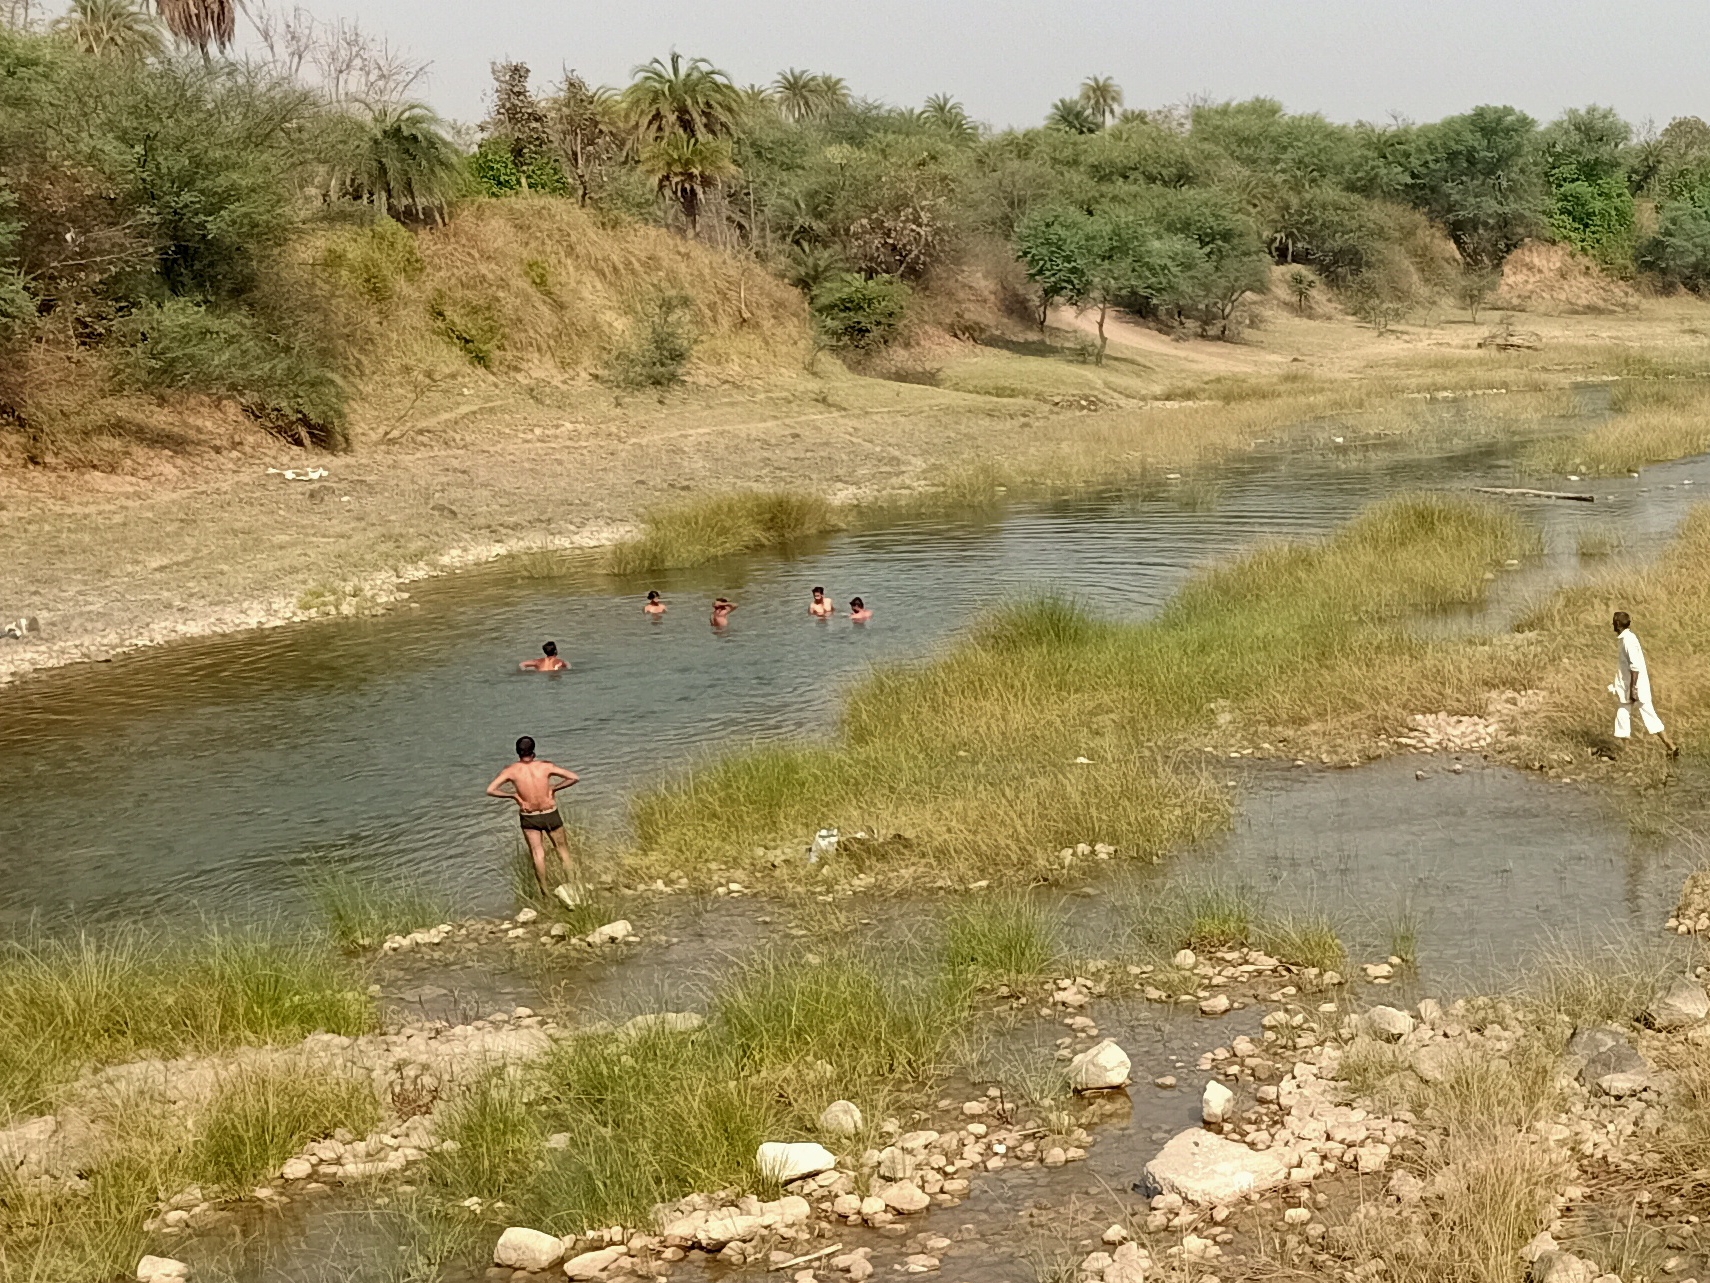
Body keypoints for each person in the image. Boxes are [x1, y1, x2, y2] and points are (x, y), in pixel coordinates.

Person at [485, 736, 581, 892]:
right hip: (550, 812)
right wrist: (554, 788)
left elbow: (490, 790)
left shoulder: (511, 771)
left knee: (538, 854)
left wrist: (514, 796)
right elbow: (574, 777)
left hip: (529, 816)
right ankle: (574, 886)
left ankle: (545, 892)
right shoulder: (546, 766)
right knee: (563, 851)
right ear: (533, 750)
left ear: (518, 752)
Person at [1612, 611, 1679, 757]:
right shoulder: (1628, 638)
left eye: (1614, 622)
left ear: (1617, 624)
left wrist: (1633, 688)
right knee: (1642, 714)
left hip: (1633, 686)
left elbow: (1635, 666)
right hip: (1631, 685)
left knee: (1626, 714)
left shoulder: (1628, 640)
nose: (1612, 625)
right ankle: (1670, 745)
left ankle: (1627, 751)